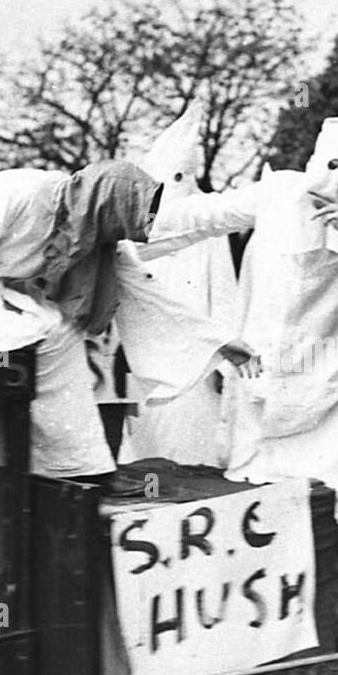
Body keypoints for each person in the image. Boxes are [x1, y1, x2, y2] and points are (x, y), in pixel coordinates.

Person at [146, 109, 338, 650]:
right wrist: (138, 228)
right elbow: (202, 215)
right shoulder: (276, 194)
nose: (335, 181)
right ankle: (257, 619)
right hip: (264, 379)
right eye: (327, 166)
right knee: (253, 491)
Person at [0, 160, 257, 484]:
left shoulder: (93, 221)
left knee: (54, 327)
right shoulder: (25, 193)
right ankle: (80, 467)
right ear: (110, 204)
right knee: (48, 328)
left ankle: (67, 463)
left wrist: (221, 342)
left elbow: (148, 292)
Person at [118, 102, 239, 467]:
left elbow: (223, 293)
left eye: (183, 178)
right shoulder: (130, 222)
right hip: (142, 356)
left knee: (190, 446)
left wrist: (223, 362)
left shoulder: (205, 224)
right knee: (146, 448)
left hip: (193, 360)